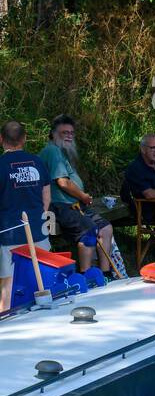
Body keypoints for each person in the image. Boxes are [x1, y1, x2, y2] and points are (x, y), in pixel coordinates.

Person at [38, 115, 115, 274]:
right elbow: (63, 182)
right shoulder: (52, 151)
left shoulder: (61, 151)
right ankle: (86, 274)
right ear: (53, 133)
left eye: (71, 133)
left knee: (106, 228)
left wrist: (81, 198)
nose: (69, 136)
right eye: (64, 132)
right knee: (88, 230)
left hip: (75, 205)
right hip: (59, 206)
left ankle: (106, 274)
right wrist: (83, 196)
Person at [0, 121, 50, 311]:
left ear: (1, 139)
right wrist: (38, 218)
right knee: (43, 283)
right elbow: (47, 197)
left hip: (9, 235)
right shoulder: (37, 162)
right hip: (38, 232)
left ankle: (4, 333)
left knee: (7, 289)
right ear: (24, 139)